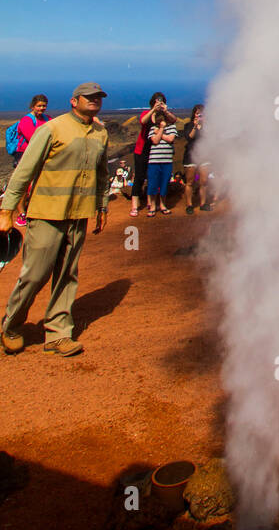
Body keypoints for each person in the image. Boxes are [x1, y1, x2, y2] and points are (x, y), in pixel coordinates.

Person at [0, 83, 109, 357]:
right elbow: (24, 171)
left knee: (67, 274)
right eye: (90, 97)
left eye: (99, 97)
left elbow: (102, 174)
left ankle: (58, 334)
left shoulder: (101, 133)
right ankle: (11, 326)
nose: (95, 100)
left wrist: (102, 206)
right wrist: (7, 211)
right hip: (46, 212)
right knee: (35, 274)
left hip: (78, 213)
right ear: (74, 101)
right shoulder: (51, 128)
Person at [130, 92, 176, 218]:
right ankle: (135, 205)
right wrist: (153, 110)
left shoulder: (164, 115)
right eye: (156, 101)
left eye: (161, 101)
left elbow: (174, 120)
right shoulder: (147, 113)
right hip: (143, 148)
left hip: (156, 150)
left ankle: (152, 203)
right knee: (139, 176)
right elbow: (143, 121)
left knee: (153, 176)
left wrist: (165, 111)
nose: (159, 104)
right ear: (152, 102)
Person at [10, 95, 52, 227]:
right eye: (39, 105)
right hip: (25, 155)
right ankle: (21, 213)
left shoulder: (48, 119)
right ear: (33, 106)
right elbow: (33, 139)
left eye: (43, 105)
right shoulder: (27, 121)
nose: (41, 108)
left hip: (42, 154)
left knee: (39, 181)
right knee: (23, 183)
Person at [147, 101, 178, 216]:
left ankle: (163, 205)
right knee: (153, 184)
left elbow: (171, 139)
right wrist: (160, 129)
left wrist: (160, 133)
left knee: (164, 183)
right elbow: (154, 141)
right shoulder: (153, 128)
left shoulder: (172, 127)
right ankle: (153, 206)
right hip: (154, 161)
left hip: (167, 161)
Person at [182, 104, 212, 214]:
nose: (199, 115)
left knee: (204, 181)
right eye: (197, 113)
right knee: (189, 181)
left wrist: (203, 126)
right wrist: (195, 127)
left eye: (201, 114)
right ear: (194, 114)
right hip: (191, 155)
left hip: (204, 155)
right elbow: (189, 137)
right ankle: (189, 204)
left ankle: (203, 203)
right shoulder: (188, 125)